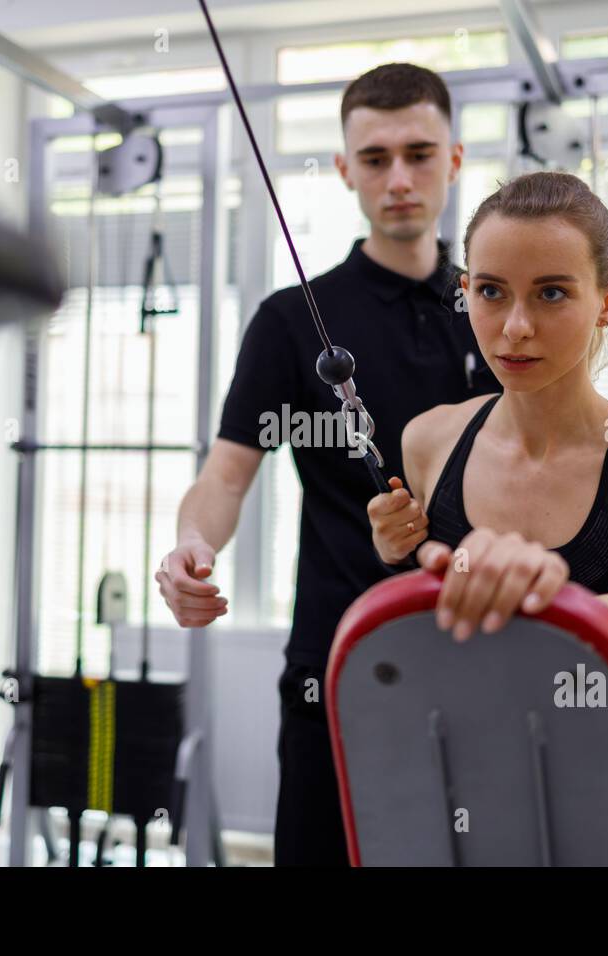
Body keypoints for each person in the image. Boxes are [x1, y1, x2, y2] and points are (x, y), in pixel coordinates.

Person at [154, 63, 501, 865]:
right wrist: (191, 549)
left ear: (454, 159)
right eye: (375, 159)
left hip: (483, 662)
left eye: (420, 153)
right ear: (344, 171)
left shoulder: (494, 314)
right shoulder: (289, 320)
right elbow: (226, 475)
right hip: (337, 667)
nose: (400, 179)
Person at [368, 170, 608, 866]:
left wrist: (548, 597)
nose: (514, 327)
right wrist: (390, 547)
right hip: (461, 779)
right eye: (490, 291)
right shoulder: (429, 440)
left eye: (553, 293)